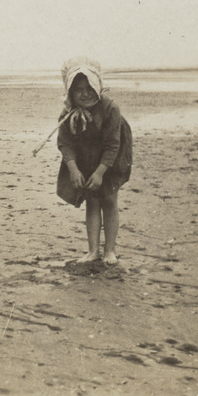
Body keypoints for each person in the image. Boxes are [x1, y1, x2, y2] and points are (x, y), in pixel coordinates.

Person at [55, 57, 133, 266]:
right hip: (86, 157)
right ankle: (92, 251)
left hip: (111, 158)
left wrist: (100, 173)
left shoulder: (109, 109)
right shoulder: (67, 113)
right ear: (70, 92)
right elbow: (64, 143)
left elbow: (112, 145)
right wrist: (73, 169)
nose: (85, 93)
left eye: (90, 87)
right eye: (78, 89)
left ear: (98, 86)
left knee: (109, 199)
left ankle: (110, 250)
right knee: (92, 200)